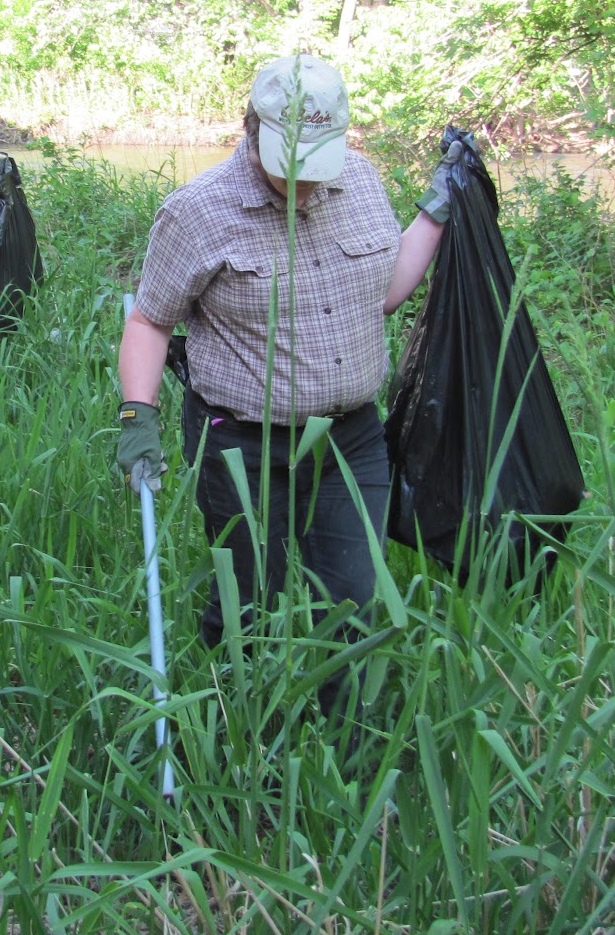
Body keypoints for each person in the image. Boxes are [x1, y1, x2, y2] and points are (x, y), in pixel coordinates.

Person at [115, 54, 447, 716]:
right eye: (287, 168)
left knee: (352, 597)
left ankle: (341, 746)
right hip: (240, 445)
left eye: (315, 167)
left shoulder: (359, 179)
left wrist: (436, 212)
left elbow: (382, 295)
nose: (303, 186)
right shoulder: (198, 211)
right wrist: (137, 416)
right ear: (250, 129)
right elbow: (150, 320)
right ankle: (230, 718)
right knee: (249, 599)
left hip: (351, 442)